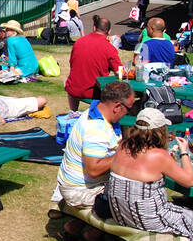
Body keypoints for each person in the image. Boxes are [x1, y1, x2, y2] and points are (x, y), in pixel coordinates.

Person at [106, 108, 193, 241]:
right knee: (189, 216)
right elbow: (189, 181)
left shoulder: (123, 146)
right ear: (160, 131)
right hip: (147, 217)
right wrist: (184, 152)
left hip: (119, 213)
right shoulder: (159, 155)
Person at [54, 80, 136, 210]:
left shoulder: (96, 110)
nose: (129, 113)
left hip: (73, 184)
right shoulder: (96, 130)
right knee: (135, 199)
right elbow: (94, 169)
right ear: (117, 107)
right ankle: (95, 230)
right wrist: (125, 152)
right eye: (130, 109)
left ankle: (76, 226)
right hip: (80, 191)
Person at [64, 17, 123, 111]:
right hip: (93, 92)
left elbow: (72, 63)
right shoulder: (109, 48)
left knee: (72, 83)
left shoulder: (79, 42)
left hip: (73, 88)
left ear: (94, 28)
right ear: (109, 31)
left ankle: (73, 111)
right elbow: (120, 72)